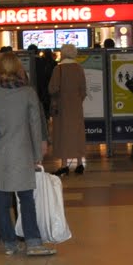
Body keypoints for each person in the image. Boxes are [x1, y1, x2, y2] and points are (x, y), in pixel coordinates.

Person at [0, 51, 53, 257]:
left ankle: (10, 243)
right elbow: (35, 124)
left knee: (1, 199)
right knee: (26, 198)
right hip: (22, 151)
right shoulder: (27, 92)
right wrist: (39, 151)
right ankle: (33, 241)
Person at [48, 43, 89, 175]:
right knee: (77, 133)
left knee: (62, 134)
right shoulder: (79, 68)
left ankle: (64, 164)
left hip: (61, 107)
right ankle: (79, 163)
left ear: (63, 53)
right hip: (76, 107)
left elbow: (52, 88)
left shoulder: (57, 69)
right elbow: (83, 90)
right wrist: (77, 100)